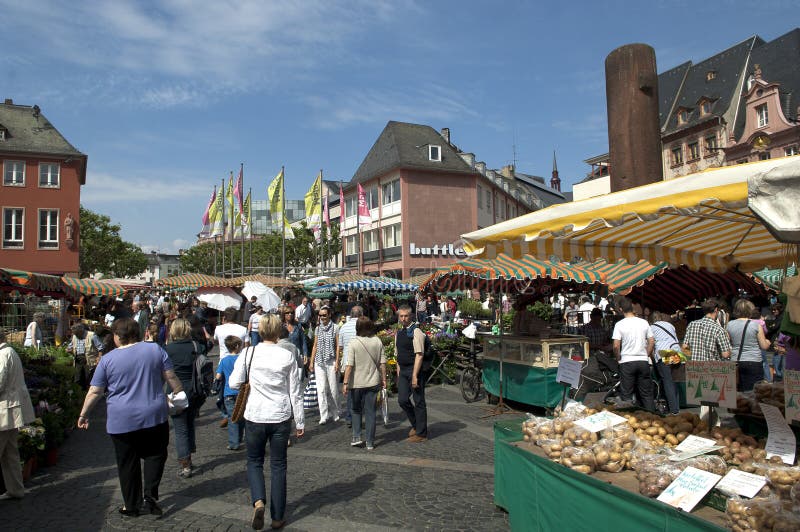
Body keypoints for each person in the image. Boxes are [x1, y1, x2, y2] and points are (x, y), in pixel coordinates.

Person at [77, 318, 184, 517]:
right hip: (154, 414)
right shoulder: (155, 350)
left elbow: (95, 391)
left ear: (117, 336)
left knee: (127, 462)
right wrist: (179, 394)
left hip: (121, 419)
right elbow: (171, 376)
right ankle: (150, 494)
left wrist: (84, 414)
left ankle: (131, 505)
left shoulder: (108, 360)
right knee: (155, 454)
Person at [229, 314, 304, 531]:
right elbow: (295, 391)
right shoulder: (286, 355)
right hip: (280, 416)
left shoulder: (248, 352)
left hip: (255, 414)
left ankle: (259, 501)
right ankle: (278, 517)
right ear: (279, 330)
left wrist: (251, 381)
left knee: (254, 461)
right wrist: (300, 421)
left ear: (259, 330)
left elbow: (234, 383)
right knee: (279, 465)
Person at [682, 298, 732, 424]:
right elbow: (726, 353)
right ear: (716, 310)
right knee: (709, 401)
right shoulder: (718, 329)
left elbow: (685, 347)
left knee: (705, 400)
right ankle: (707, 426)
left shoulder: (692, 325)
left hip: (695, 367)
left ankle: (711, 424)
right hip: (712, 368)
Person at [164, 318, 201, 478]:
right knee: (190, 423)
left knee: (180, 429)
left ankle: (185, 464)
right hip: (193, 390)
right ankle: (189, 454)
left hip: (175, 391)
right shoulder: (195, 346)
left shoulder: (167, 349)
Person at [0, 331, 35, 500]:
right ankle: (15, 489)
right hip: (11, 409)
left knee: (8, 451)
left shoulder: (2, 354)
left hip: (5, 410)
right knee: (10, 452)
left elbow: (0, 382)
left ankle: (15, 489)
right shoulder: (10, 351)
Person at [343, 317, 386, 450]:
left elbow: (349, 365)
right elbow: (382, 364)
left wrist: (345, 382)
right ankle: (370, 442)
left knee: (356, 410)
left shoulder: (353, 342)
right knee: (371, 412)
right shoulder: (377, 341)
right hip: (373, 382)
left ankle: (356, 436)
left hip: (356, 383)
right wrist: (384, 379)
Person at [611, 296, 655, 412]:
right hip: (642, 361)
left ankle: (630, 419)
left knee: (627, 394)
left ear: (620, 309)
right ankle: (652, 417)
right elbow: (651, 341)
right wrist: (646, 354)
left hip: (627, 362)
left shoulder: (620, 325)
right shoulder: (643, 322)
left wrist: (618, 358)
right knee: (646, 394)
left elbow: (616, 345)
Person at [395, 305, 428, 442]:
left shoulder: (416, 332)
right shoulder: (399, 333)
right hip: (403, 371)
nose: (403, 318)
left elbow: (419, 355)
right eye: (401, 316)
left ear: (411, 316)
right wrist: (398, 372)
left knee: (419, 401)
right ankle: (416, 424)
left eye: (406, 316)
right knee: (402, 400)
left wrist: (414, 375)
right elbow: (397, 354)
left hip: (415, 370)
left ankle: (421, 433)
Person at [214, 307, 248, 428]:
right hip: (240, 361)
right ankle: (238, 412)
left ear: (224, 317)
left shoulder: (218, 329)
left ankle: (227, 414)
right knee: (239, 389)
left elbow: (215, 341)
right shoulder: (243, 329)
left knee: (224, 391)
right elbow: (247, 347)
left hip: (223, 362)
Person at [727, 299, 771, 392]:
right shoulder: (756, 325)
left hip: (735, 361)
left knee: (736, 392)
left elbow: (727, 343)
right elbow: (764, 346)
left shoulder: (729, 325)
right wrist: (768, 342)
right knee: (752, 393)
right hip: (753, 361)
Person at [309, 306, 340, 424]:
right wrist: (311, 361)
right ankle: (323, 415)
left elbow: (338, 346)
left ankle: (335, 412)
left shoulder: (336, 328)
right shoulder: (318, 329)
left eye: (324, 315)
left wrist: (337, 361)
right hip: (319, 361)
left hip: (331, 361)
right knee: (321, 389)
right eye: (320, 315)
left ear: (329, 315)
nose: (322, 317)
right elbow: (315, 345)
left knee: (333, 389)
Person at [217, 336, 246, 451]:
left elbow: (218, 376)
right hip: (241, 391)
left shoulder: (224, 360)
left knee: (232, 417)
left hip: (228, 392)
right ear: (237, 346)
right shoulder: (242, 359)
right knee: (242, 416)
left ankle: (234, 443)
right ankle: (239, 438)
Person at [650, 312, 681, 415]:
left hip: (664, 353)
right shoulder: (670, 325)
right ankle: (675, 405)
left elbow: (651, 343)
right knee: (674, 380)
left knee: (667, 380)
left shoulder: (651, 328)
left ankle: (673, 409)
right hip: (675, 351)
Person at [337, 306, 363, 427]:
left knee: (350, 391)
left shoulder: (343, 327)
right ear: (361, 314)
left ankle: (349, 417)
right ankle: (358, 416)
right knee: (361, 390)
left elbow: (340, 346)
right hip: (360, 362)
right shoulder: (362, 326)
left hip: (347, 362)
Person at [66, 323, 105, 390]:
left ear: (81, 331)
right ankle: (79, 394)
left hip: (89, 360)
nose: (76, 335)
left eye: (77, 334)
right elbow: (70, 346)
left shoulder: (92, 335)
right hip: (78, 359)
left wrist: (99, 357)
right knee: (77, 378)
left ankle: (89, 394)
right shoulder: (75, 336)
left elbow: (101, 348)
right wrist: (68, 350)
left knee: (89, 379)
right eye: (75, 334)